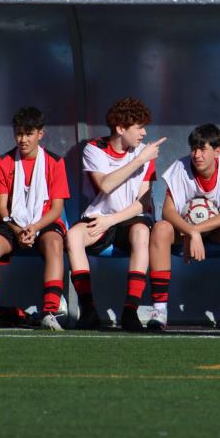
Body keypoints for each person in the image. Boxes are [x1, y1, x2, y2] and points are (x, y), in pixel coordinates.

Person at [66, 97, 164, 332]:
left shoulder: (144, 153)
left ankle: (130, 311)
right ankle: (88, 311)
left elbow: (143, 204)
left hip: (128, 219)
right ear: (121, 128)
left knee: (141, 231)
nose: (143, 133)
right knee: (73, 236)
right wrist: (140, 159)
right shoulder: (94, 148)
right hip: (100, 216)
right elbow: (106, 185)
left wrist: (110, 220)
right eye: (138, 127)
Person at [0, 107, 70, 332]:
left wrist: (34, 228)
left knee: (55, 242)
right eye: (19, 134)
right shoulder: (3, 161)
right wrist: (18, 230)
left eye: (28, 133)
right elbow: (4, 208)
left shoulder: (55, 162)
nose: (22, 139)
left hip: (43, 222)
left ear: (40, 134)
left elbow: (56, 209)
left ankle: (50, 312)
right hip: (12, 223)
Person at [148, 124, 220, 330]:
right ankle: (159, 309)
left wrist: (197, 230)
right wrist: (190, 231)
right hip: (186, 230)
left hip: (217, 229)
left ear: (217, 151)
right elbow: (167, 211)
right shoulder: (180, 167)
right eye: (194, 149)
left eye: (203, 149)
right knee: (160, 229)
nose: (197, 155)